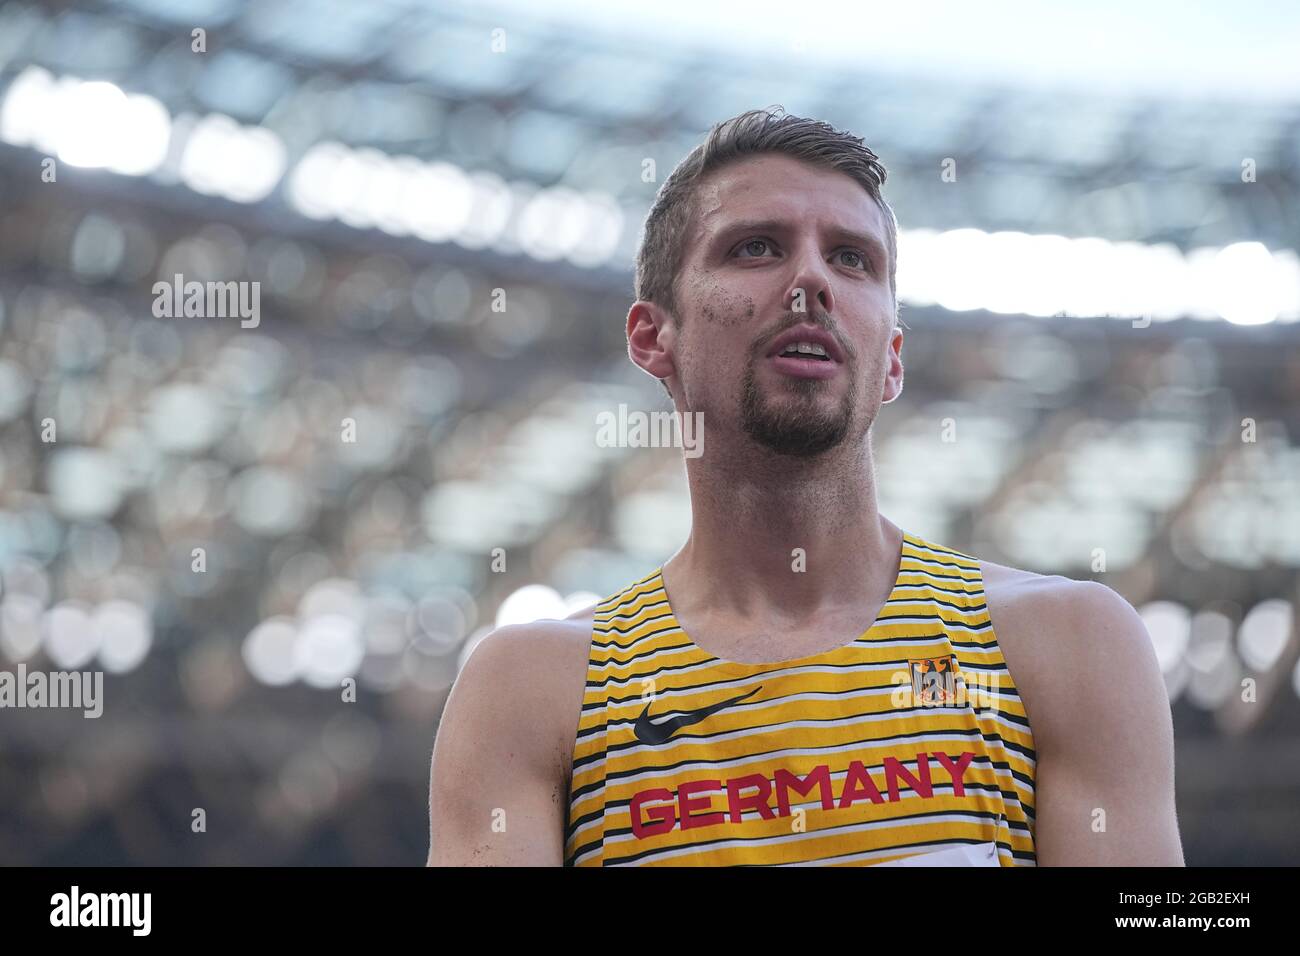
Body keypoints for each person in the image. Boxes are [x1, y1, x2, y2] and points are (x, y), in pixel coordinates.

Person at [427, 107, 1184, 866]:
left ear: (891, 357)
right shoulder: (531, 692)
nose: (811, 281)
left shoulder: (1068, 645)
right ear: (654, 337)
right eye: (756, 248)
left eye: (852, 259)